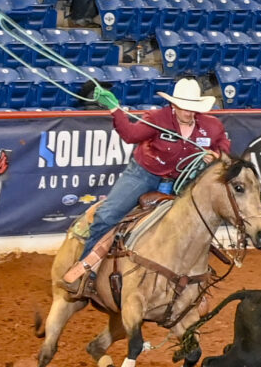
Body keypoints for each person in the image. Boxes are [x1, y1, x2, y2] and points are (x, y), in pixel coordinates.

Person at [64, 78, 233, 283]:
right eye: (184, 107)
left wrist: (216, 155)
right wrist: (115, 109)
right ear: (173, 104)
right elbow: (130, 134)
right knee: (108, 215)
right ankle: (86, 268)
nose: (189, 112)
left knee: (196, 223)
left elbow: (223, 142)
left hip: (182, 180)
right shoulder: (157, 119)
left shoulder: (211, 125)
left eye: (193, 108)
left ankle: (191, 272)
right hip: (144, 174)